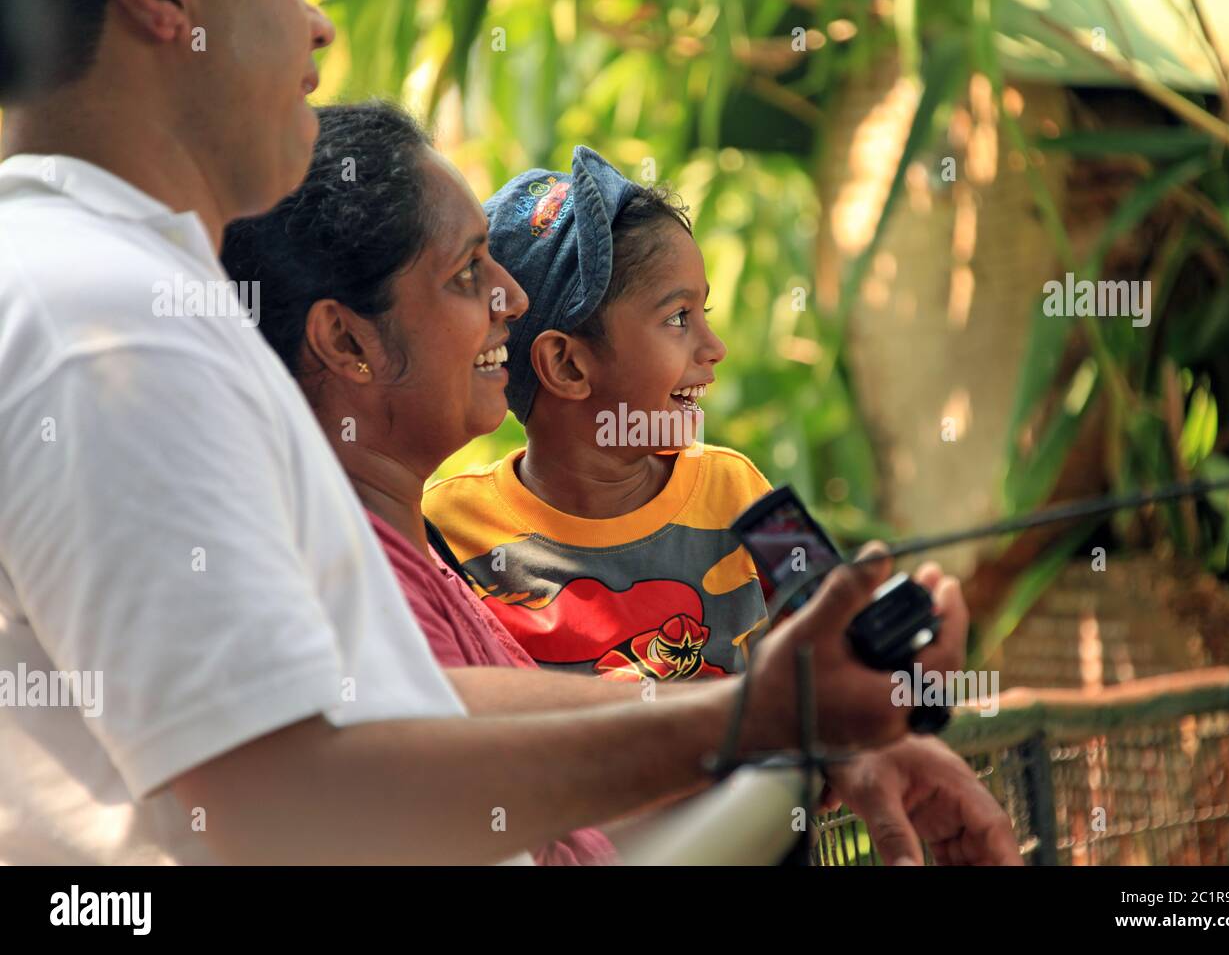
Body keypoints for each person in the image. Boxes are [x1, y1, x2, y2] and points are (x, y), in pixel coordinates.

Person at [0, 0, 978, 866]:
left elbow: (390, 710)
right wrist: (755, 718)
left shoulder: (125, 299)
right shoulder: (108, 326)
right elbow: (288, 799)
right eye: (468, 273)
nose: (320, 23)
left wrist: (782, 721)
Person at [220, 99, 1019, 866]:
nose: (513, 299)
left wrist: (827, 740)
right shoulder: (377, 564)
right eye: (468, 274)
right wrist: (777, 726)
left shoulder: (724, 493)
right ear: (346, 342)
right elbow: (440, 753)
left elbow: (552, 782)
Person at [425, 147, 776, 681]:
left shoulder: (741, 492)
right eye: (679, 317)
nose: (714, 347)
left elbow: (843, 646)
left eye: (703, 311)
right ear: (566, 366)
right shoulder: (447, 536)